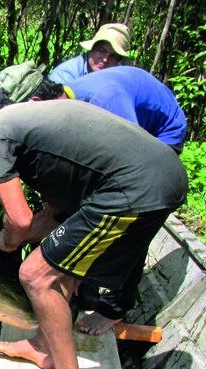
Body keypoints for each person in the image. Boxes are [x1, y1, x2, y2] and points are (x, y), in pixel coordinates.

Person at [0, 81, 187, 369]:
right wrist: (15, 236)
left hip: (136, 188)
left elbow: (21, 220)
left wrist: (7, 241)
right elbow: (52, 218)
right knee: (60, 262)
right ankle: (45, 345)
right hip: (160, 174)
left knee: (35, 275)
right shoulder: (34, 124)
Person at [29, 66, 188, 335]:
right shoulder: (72, 100)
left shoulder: (106, 102)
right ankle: (86, 285)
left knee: (128, 219)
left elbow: (127, 165)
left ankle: (114, 308)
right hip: (134, 146)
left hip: (160, 141)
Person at [30, 66, 186, 152]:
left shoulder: (105, 100)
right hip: (135, 116)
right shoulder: (68, 94)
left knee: (142, 188)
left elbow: (133, 150)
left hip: (165, 129)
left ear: (37, 102)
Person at [48, 23, 130, 84]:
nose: (105, 59)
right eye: (102, 50)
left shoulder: (117, 78)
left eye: (113, 56)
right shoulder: (65, 74)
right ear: (91, 49)